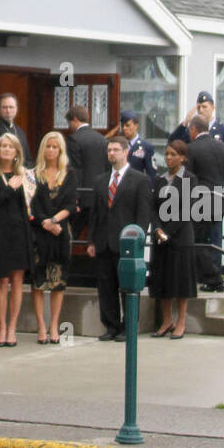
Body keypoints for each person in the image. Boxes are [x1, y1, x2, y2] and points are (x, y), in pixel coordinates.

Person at [88, 136, 154, 340]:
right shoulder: (100, 181)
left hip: (126, 243)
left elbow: (143, 213)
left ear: (126, 152)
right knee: (106, 287)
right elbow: (96, 214)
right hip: (103, 242)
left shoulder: (140, 180)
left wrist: (137, 240)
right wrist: (92, 241)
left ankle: (128, 327)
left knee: (127, 286)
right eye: (109, 150)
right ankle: (111, 326)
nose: (112, 153)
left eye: (116, 150)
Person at [0, 132, 32, 347]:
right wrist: (9, 189)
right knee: (2, 281)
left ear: (17, 151)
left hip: (19, 232)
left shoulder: (25, 175)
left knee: (17, 281)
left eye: (11, 147)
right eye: (3, 147)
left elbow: (29, 206)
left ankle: (13, 328)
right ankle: (1, 327)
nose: (7, 150)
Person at [28, 131, 76, 344]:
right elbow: (32, 205)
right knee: (38, 283)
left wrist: (55, 221)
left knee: (58, 282)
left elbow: (71, 204)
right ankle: (40, 327)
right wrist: (45, 223)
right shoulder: (33, 174)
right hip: (39, 233)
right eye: (48, 146)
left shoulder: (69, 174)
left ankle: (54, 325)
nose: (51, 150)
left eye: (55, 147)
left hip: (60, 233)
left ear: (61, 150)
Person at [186, 113, 224, 293]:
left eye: (190, 130)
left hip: (201, 201)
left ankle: (214, 278)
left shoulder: (192, 149)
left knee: (197, 241)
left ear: (194, 129)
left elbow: (189, 179)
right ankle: (207, 276)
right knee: (208, 239)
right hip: (222, 199)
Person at [149, 139, 196, 338]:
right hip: (161, 239)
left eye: (173, 154)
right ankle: (166, 321)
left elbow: (187, 209)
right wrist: (158, 229)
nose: (168, 158)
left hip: (180, 238)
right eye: (167, 154)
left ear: (183, 158)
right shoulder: (160, 179)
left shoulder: (190, 179)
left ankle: (181, 322)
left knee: (180, 282)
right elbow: (153, 207)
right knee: (162, 281)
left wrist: (169, 232)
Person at [64, 104, 108, 237]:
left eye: (69, 122)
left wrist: (75, 196)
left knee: (73, 234)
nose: (69, 126)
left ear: (75, 119)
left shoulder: (74, 139)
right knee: (96, 235)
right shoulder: (102, 140)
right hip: (100, 194)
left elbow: (75, 169)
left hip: (83, 196)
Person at [106, 111, 157, 182]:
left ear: (136, 126)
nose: (124, 128)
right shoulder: (116, 145)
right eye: (122, 126)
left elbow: (151, 174)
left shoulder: (146, 147)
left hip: (137, 187)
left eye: (127, 125)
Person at [0, 92, 31, 167]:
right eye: (4, 107)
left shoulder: (20, 131)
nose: (8, 110)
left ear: (16, 109)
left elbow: (28, 158)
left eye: (11, 107)